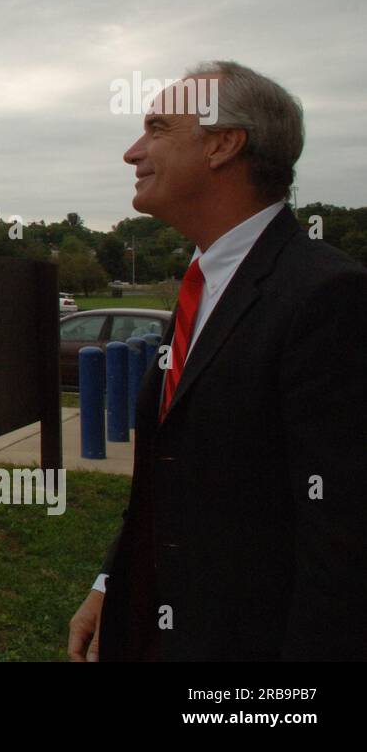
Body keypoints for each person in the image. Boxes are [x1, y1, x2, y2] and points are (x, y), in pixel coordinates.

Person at [68, 62, 367, 661]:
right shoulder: (204, 286)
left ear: (224, 145)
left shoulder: (328, 298)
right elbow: (170, 475)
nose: (134, 152)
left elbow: (342, 546)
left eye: (157, 128)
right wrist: (112, 583)